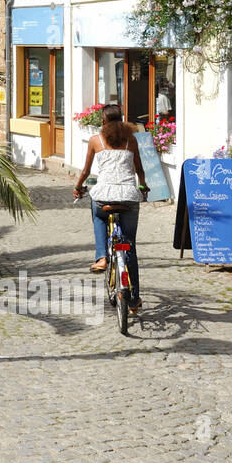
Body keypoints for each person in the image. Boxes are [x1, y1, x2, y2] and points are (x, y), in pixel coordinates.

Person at [73, 104, 149, 312]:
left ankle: (102, 257)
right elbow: (139, 170)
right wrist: (142, 187)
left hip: (104, 195)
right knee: (130, 246)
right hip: (128, 197)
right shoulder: (131, 141)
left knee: (98, 215)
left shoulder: (96, 140)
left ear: (103, 122)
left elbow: (86, 171)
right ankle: (134, 300)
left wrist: (78, 187)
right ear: (122, 119)